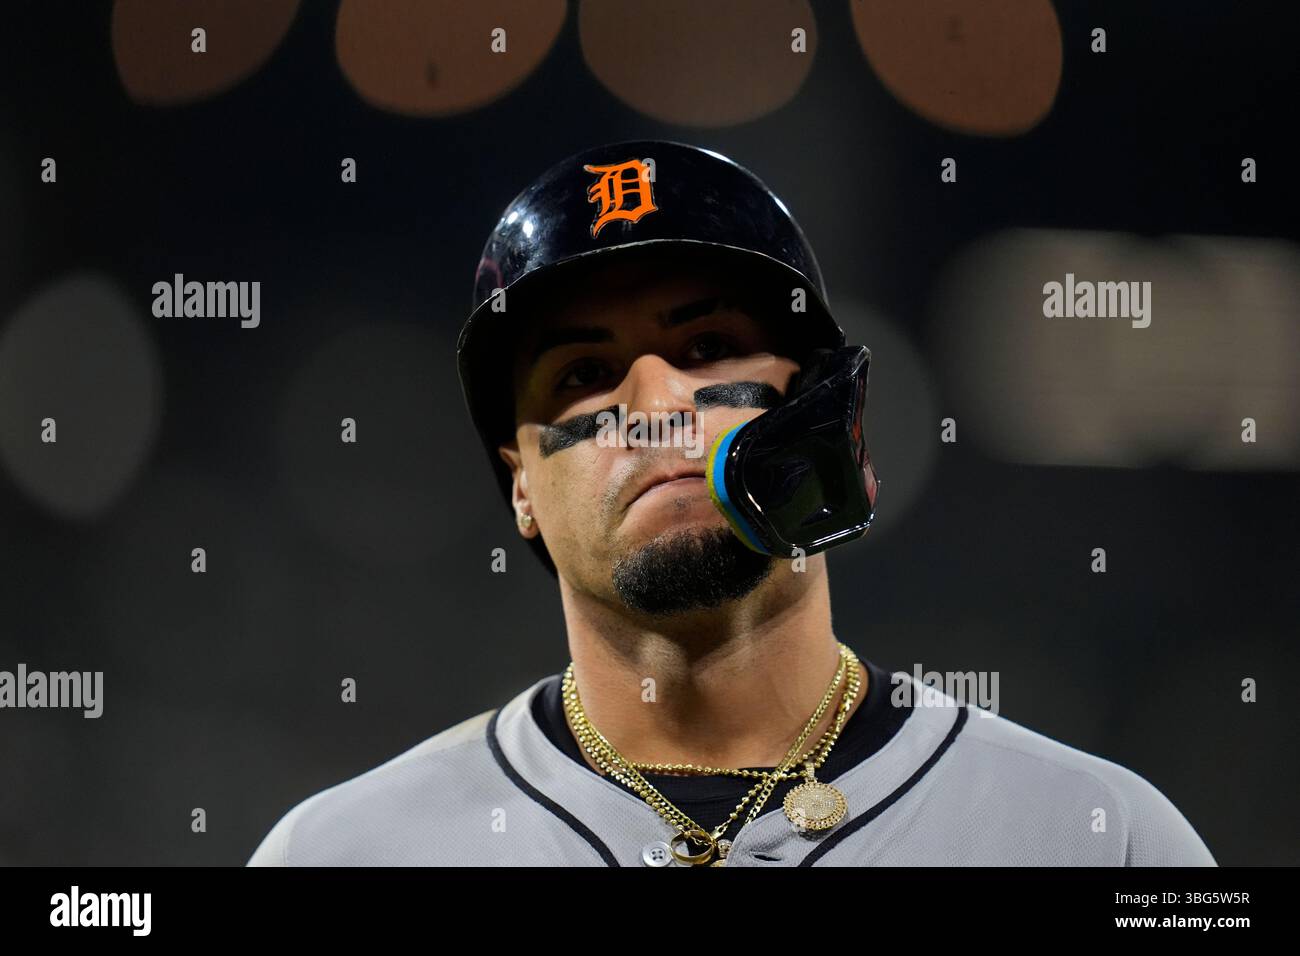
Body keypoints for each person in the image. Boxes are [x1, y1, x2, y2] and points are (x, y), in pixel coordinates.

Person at [247, 141, 1214, 867]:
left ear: (826, 416)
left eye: (708, 347)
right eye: (585, 371)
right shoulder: (344, 855)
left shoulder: (1099, 839)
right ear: (520, 487)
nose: (657, 404)